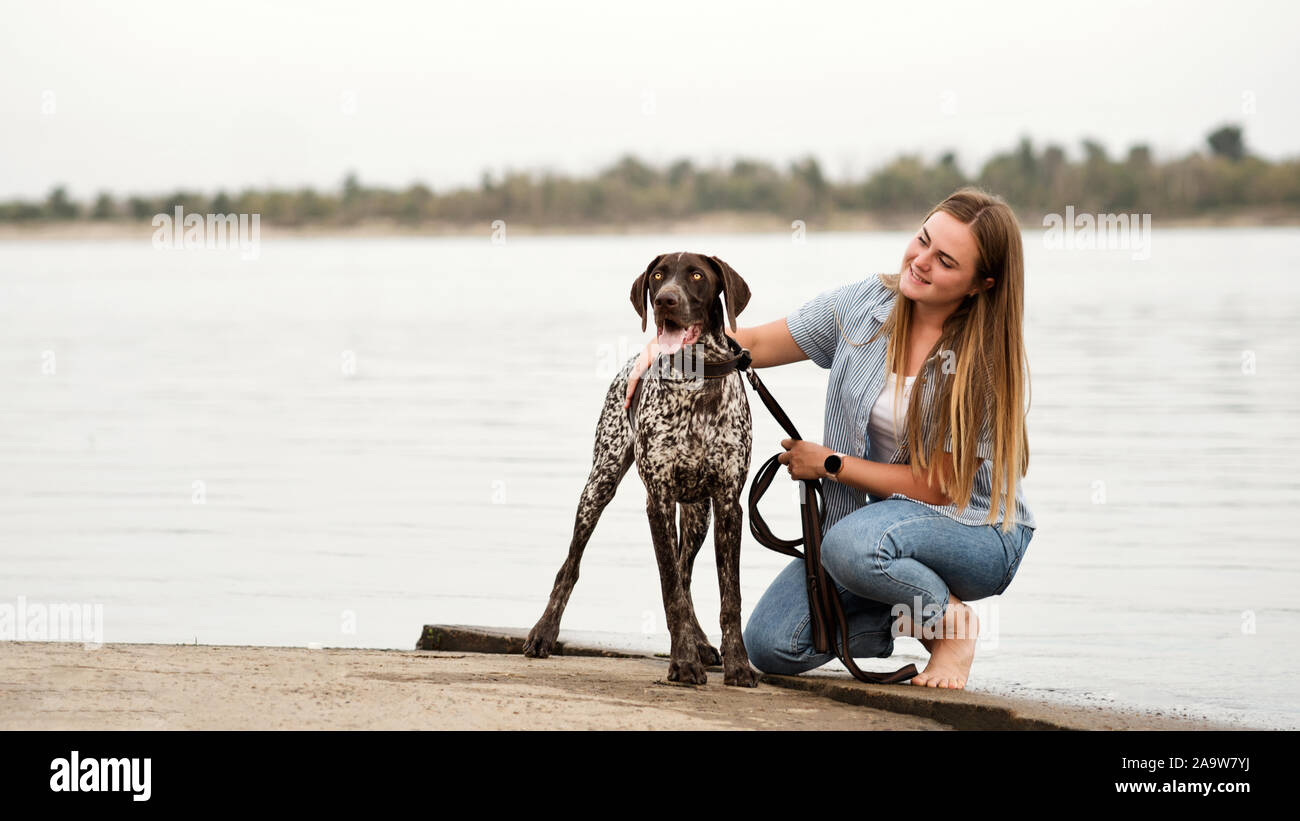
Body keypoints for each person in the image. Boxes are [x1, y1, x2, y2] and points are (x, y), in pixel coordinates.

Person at [623, 187, 1036, 689]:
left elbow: (941, 488)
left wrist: (831, 465)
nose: (921, 261)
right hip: (871, 531)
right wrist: (664, 351)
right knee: (771, 644)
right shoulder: (864, 304)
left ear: (980, 283)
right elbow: (751, 342)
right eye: (922, 240)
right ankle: (900, 610)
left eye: (945, 261)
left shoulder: (983, 361)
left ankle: (951, 627)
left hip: (976, 528)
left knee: (849, 545)